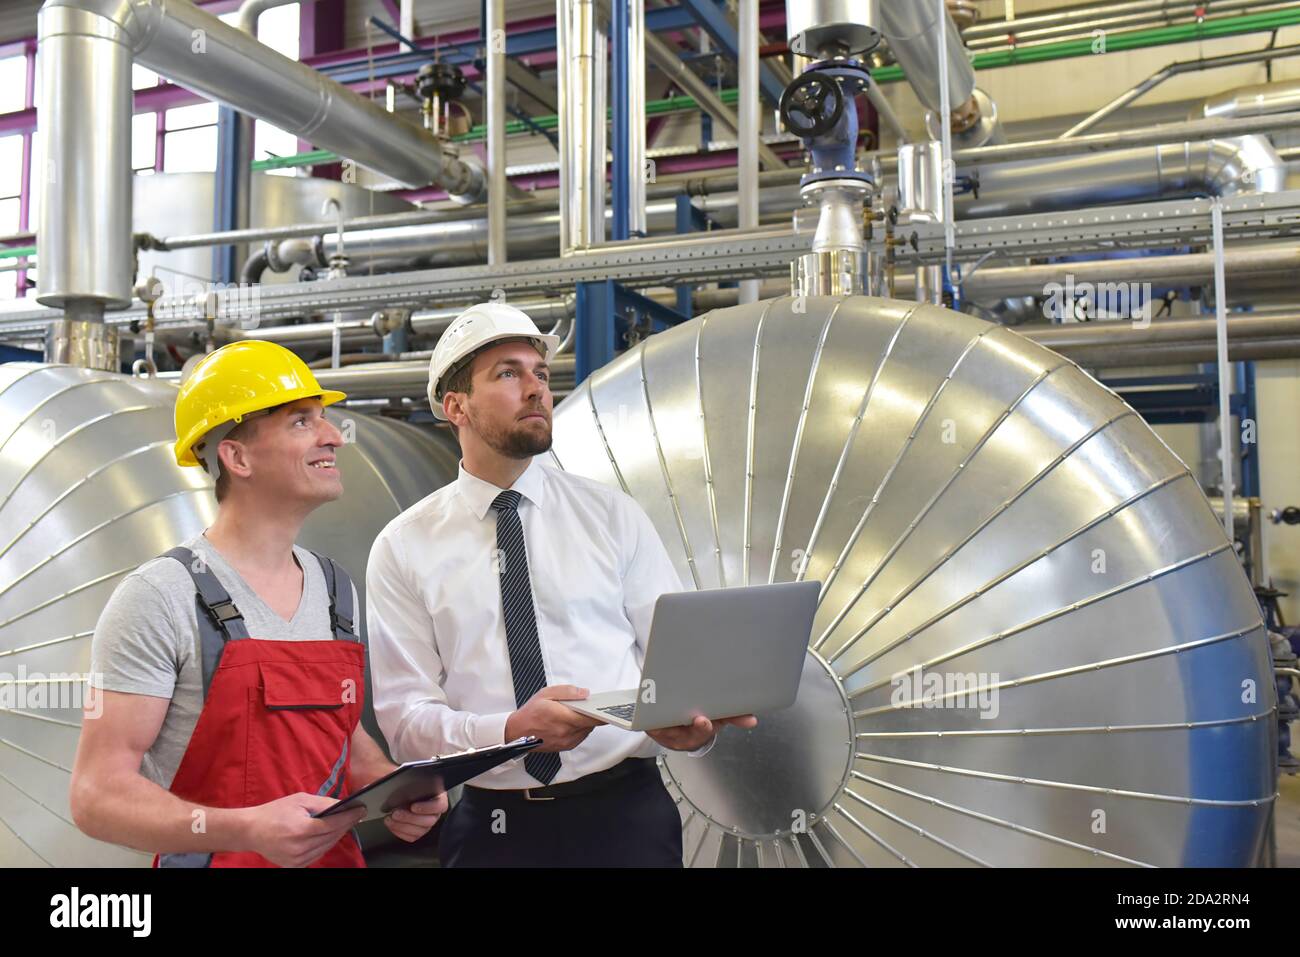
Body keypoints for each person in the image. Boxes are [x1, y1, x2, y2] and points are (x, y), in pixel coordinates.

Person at [366, 302, 756, 867]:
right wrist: (510, 730)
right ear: (457, 407)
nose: (536, 389)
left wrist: (691, 724)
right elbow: (406, 723)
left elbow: (674, 665)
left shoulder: (612, 516)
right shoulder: (404, 547)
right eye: (508, 373)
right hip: (491, 830)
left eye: (541, 374)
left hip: (625, 818)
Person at [69, 341, 444, 867]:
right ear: (237, 457)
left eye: (325, 419)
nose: (334, 436)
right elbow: (95, 797)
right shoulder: (162, 597)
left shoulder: (335, 588)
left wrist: (397, 789)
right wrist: (243, 829)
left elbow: (342, 740)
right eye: (300, 421)